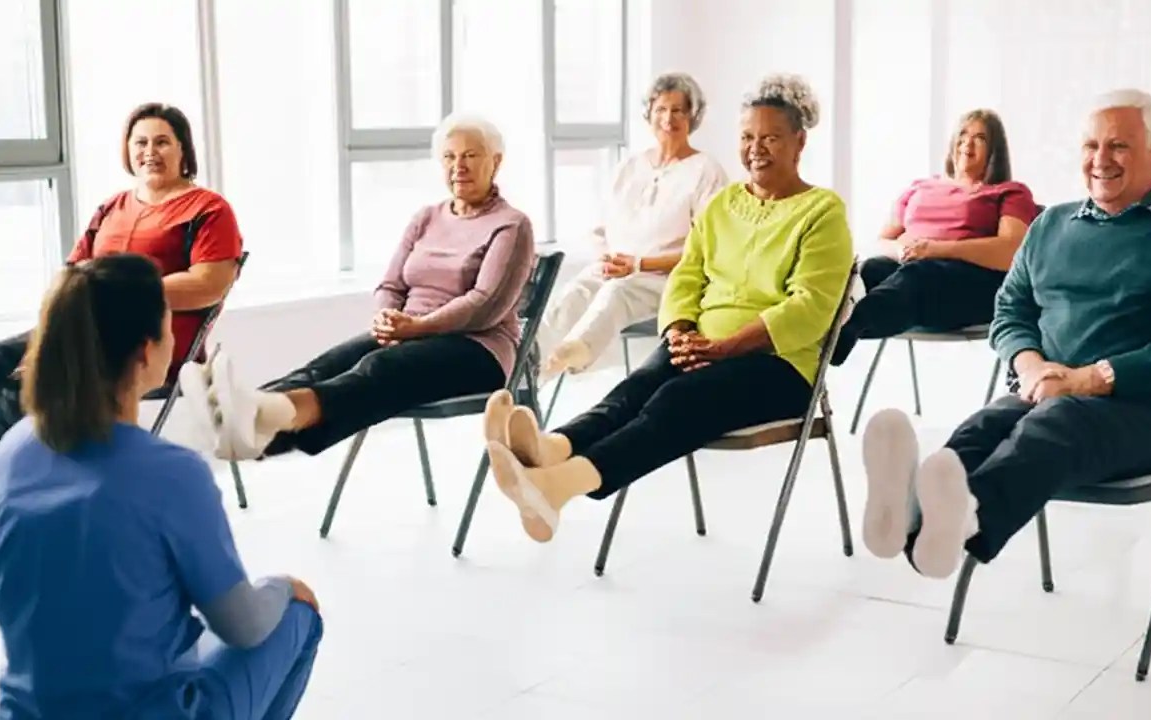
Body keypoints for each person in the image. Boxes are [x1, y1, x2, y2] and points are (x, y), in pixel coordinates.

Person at [857, 89, 1151, 578]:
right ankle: (911, 520)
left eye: (1118, 146)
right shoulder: (1051, 224)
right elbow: (1010, 310)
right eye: (1090, 146)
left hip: (1149, 414)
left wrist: (1089, 379)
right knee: (983, 431)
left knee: (1052, 427)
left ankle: (959, 519)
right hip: (1045, 393)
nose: (1100, 160)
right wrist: (1032, 366)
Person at [481, 75, 853, 542]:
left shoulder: (823, 212)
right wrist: (678, 327)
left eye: (771, 138)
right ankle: (551, 448)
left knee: (677, 399)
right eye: (747, 137)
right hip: (703, 347)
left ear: (799, 141)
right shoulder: (724, 204)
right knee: (637, 386)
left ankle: (557, 487)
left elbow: (810, 307)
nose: (756, 148)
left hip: (780, 367)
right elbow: (688, 275)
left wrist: (724, 348)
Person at [0, 255, 321, 719]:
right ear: (146, 351)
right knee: (297, 616)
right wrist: (285, 587)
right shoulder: (171, 474)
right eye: (170, 328)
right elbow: (243, 626)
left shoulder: (9, 451)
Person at [180, 114, 535, 461]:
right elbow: (391, 283)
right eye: (449, 156)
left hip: (477, 350)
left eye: (471, 155)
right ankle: (235, 420)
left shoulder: (511, 225)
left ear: (496, 161)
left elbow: (484, 304)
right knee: (327, 365)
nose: (459, 165)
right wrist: (387, 316)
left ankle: (259, 422)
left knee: (380, 368)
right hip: (411, 334)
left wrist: (420, 326)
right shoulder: (427, 217)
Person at [0, 102, 243, 441]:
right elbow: (74, 272)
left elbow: (208, 285)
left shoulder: (209, 208)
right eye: (140, 142)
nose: (149, 151)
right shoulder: (112, 206)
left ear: (183, 149)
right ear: (128, 150)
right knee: (0, 361)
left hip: (146, 341)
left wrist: (113, 294)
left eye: (162, 142)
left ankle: (39, 479)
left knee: (27, 384)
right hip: (84, 325)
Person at [539, 73, 729, 378]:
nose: (669, 118)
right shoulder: (630, 166)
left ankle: (570, 353)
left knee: (617, 293)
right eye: (661, 109)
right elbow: (601, 229)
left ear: (693, 116)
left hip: (666, 278)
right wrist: (606, 256)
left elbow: (708, 251)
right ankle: (529, 372)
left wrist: (639, 264)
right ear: (649, 115)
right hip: (617, 268)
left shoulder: (706, 171)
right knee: (573, 293)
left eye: (678, 110)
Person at [832, 109, 1038, 363]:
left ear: (995, 150)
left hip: (972, 284)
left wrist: (935, 249)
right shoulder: (921, 187)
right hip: (911, 272)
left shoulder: (1009, 192)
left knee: (919, 275)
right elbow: (883, 240)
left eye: (980, 138)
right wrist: (900, 251)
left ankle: (845, 332)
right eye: (962, 134)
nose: (967, 143)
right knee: (871, 269)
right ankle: (822, 327)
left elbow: (1011, 252)